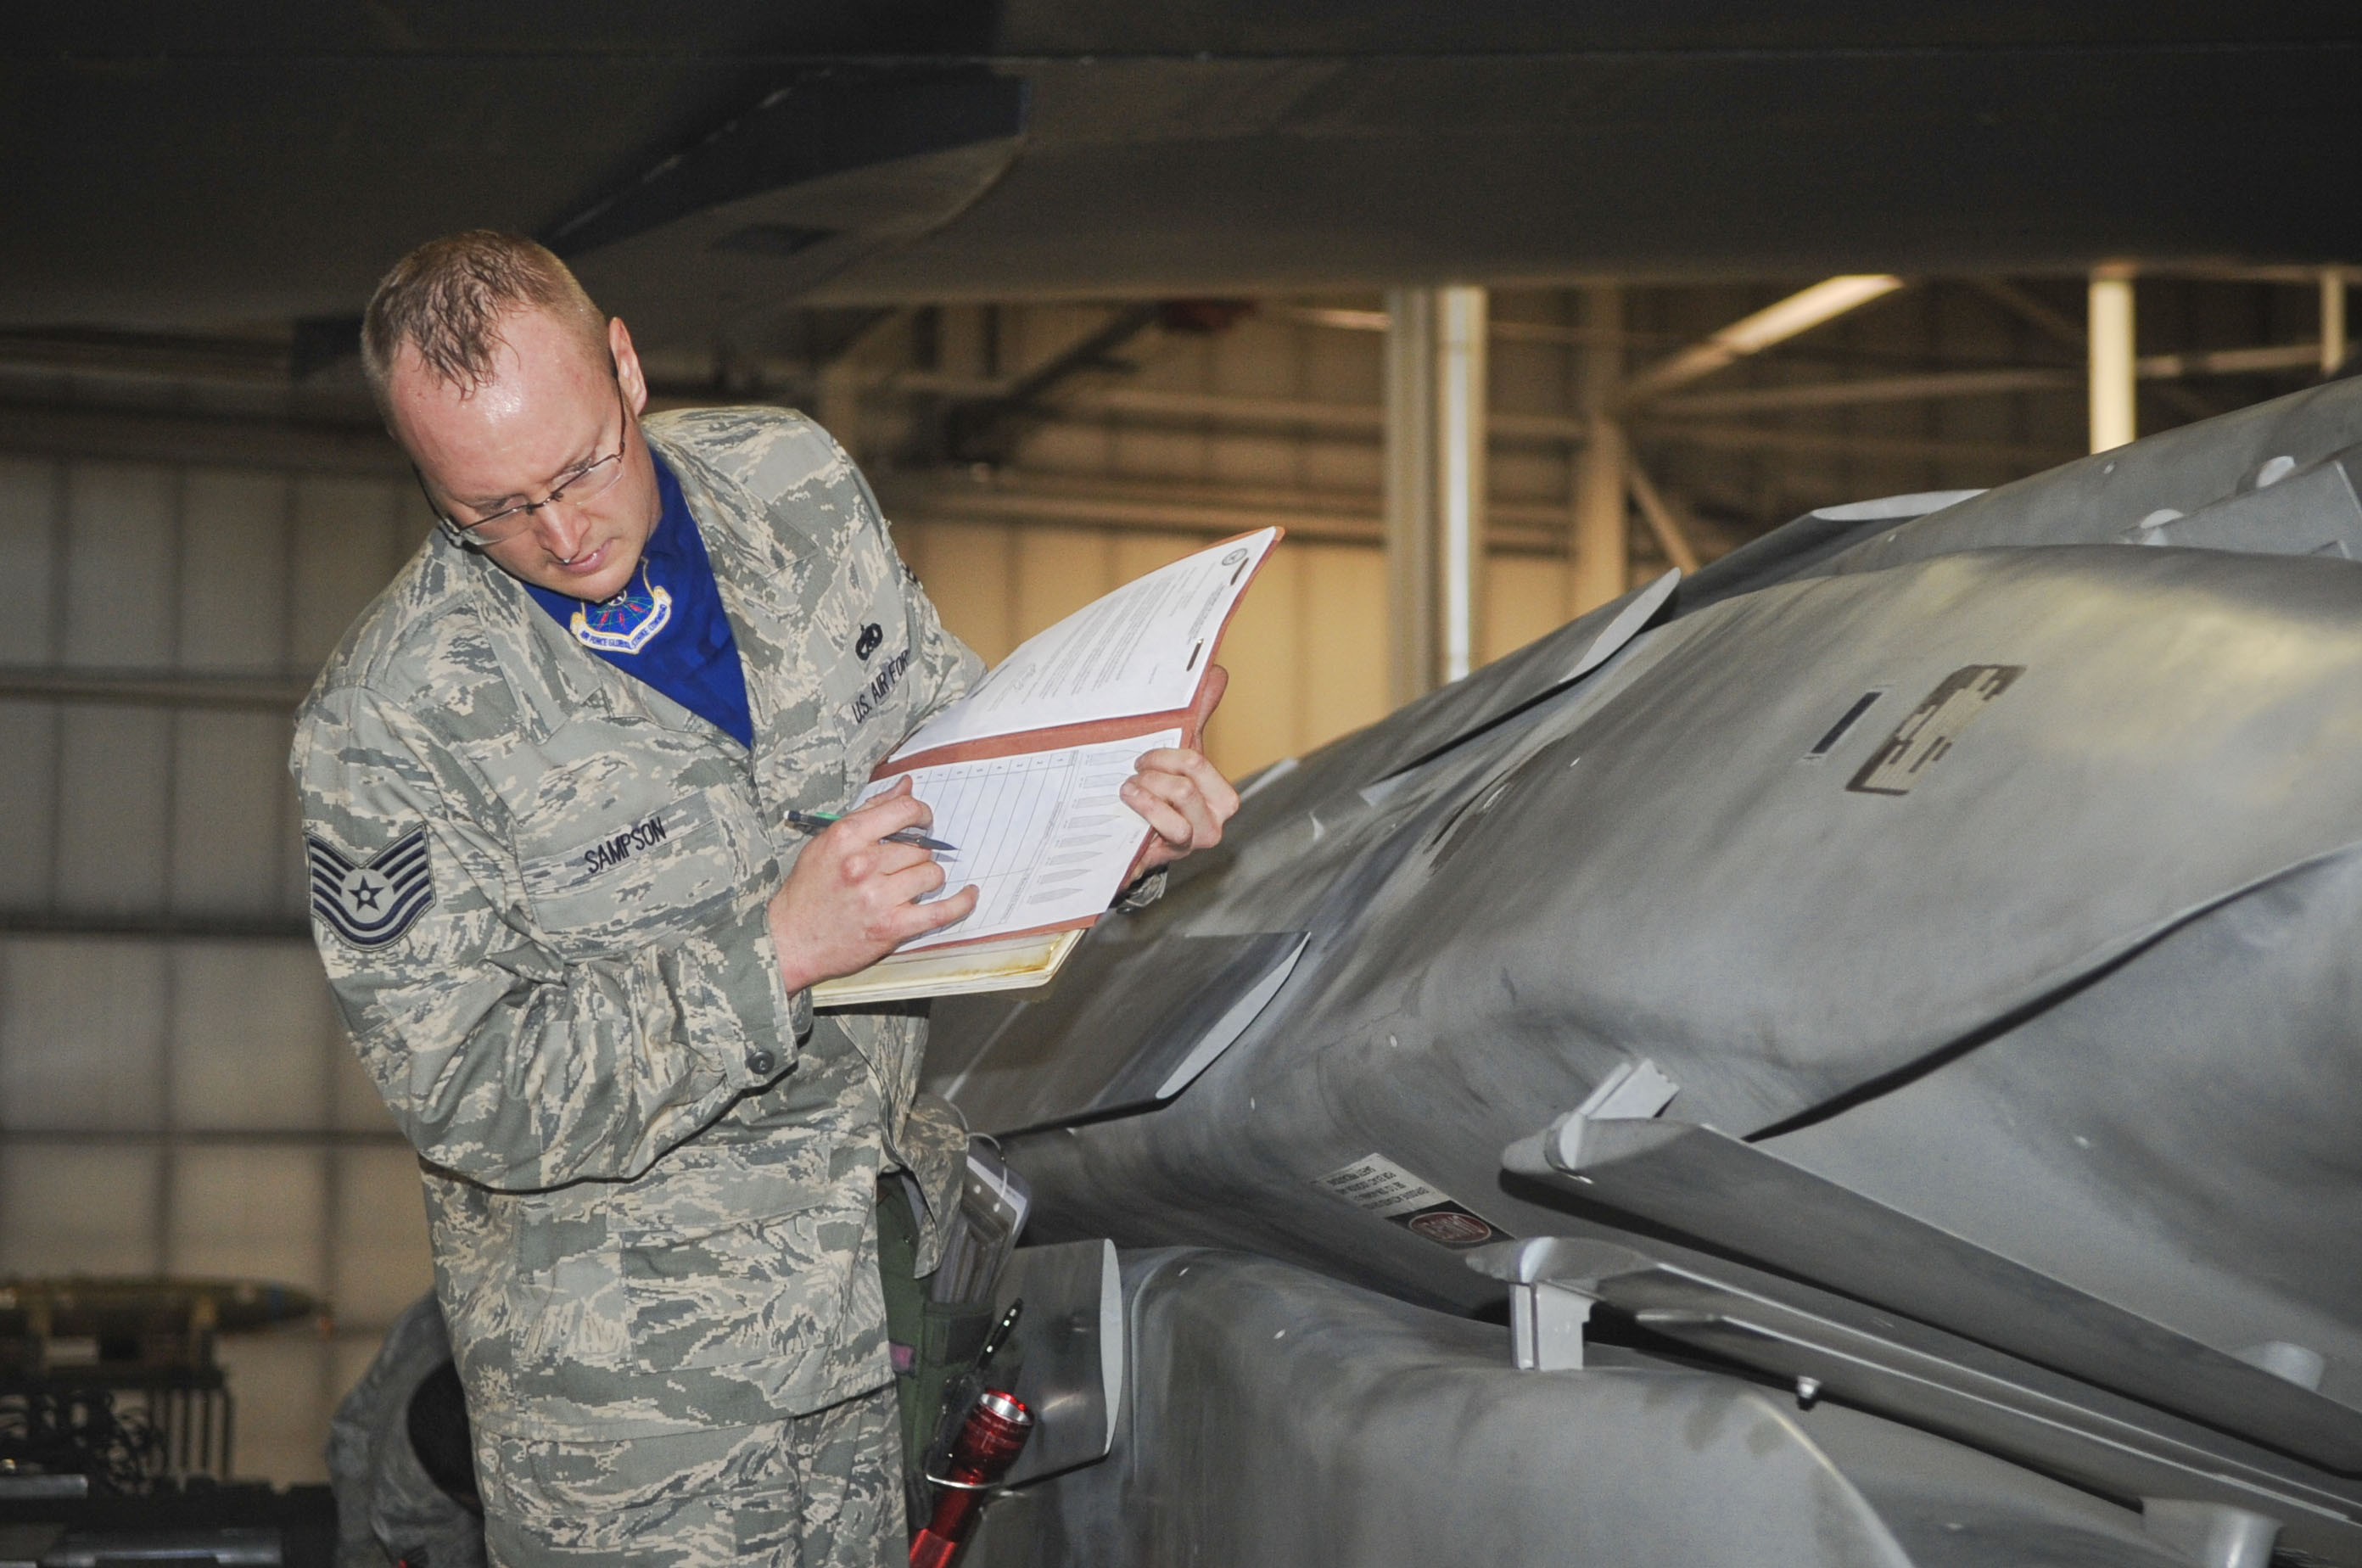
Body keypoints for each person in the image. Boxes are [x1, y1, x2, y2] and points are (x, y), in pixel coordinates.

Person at [290, 231, 1239, 1566]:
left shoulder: (789, 482)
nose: (560, 533)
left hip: (871, 1315)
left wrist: (1108, 835)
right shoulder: (387, 724)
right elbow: (470, 1092)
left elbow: (941, 746)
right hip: (638, 1422)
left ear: (627, 367)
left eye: (581, 467)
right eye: (490, 509)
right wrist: (777, 951)